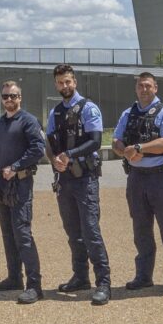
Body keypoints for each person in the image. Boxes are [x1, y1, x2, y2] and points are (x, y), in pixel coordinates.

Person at [111, 71, 163, 299]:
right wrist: (123, 151)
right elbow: (116, 140)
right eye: (140, 86)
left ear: (155, 88)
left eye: (148, 86)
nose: (144, 90)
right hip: (136, 178)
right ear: (136, 89)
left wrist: (139, 148)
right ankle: (144, 276)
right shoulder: (128, 113)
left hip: (161, 178)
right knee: (141, 230)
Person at [47, 64, 110, 305]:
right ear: (56, 84)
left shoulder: (88, 108)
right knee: (73, 232)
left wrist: (69, 155)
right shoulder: (55, 113)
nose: (64, 86)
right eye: (60, 82)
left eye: (68, 81)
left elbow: (95, 141)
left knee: (91, 231)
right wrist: (54, 160)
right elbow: (50, 142)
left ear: (75, 82)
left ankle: (103, 283)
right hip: (64, 179)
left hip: (85, 178)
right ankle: (81, 276)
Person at [0, 81, 45, 304]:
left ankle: (35, 285)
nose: (9, 100)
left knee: (22, 233)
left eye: (13, 96)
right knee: (8, 234)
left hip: (21, 184)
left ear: (20, 97)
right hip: (2, 185)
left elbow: (38, 149)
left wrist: (16, 166)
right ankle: (14, 277)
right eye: (5, 96)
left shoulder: (28, 121)